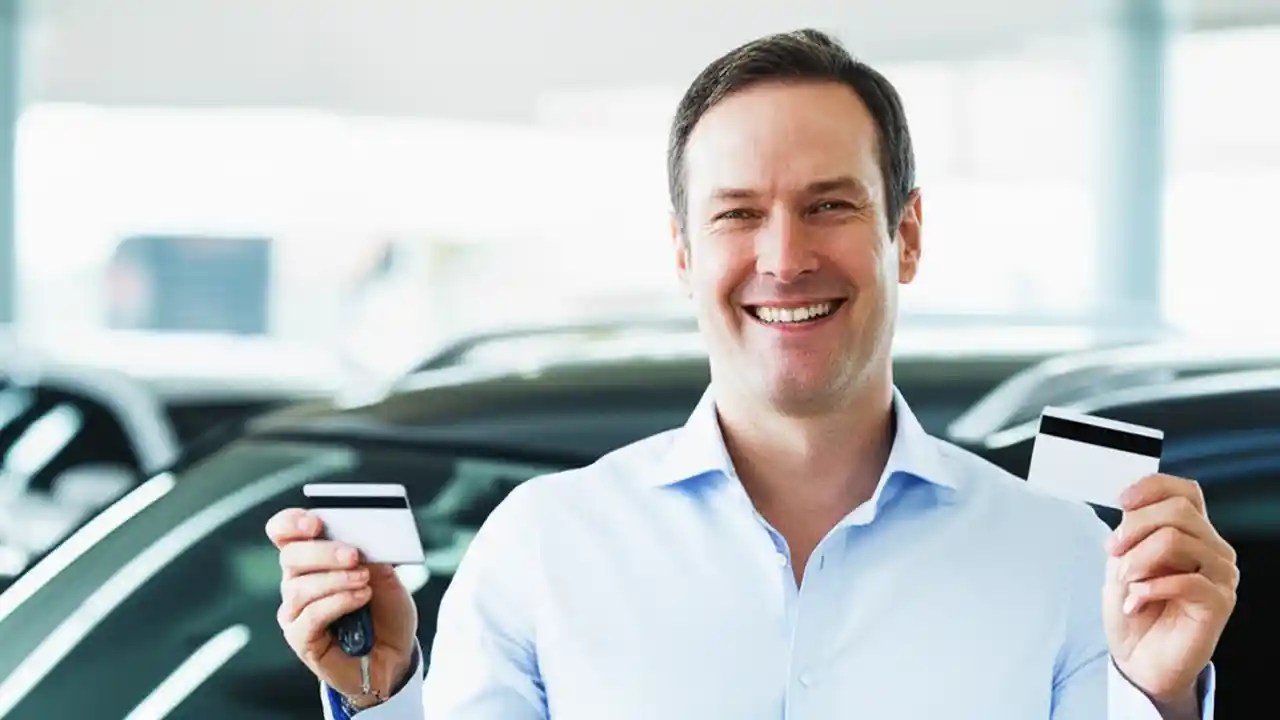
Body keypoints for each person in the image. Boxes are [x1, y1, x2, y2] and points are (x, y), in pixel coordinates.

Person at [266, 29, 1237, 719]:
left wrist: (1156, 699)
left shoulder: (1065, 557)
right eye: (736, 212)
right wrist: (380, 699)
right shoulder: (538, 550)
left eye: (826, 205)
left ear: (905, 233)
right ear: (683, 251)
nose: (782, 256)